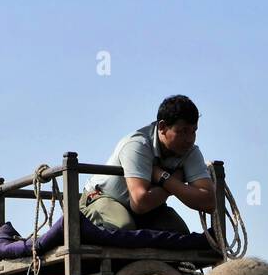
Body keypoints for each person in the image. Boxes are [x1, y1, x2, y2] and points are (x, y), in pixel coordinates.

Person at [80, 94, 215, 236]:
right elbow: (139, 203)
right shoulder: (137, 145)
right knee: (123, 228)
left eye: (194, 131)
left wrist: (164, 178)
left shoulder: (189, 151)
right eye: (182, 132)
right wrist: (177, 180)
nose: (189, 139)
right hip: (103, 197)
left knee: (179, 233)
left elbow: (209, 202)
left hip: (150, 206)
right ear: (162, 127)